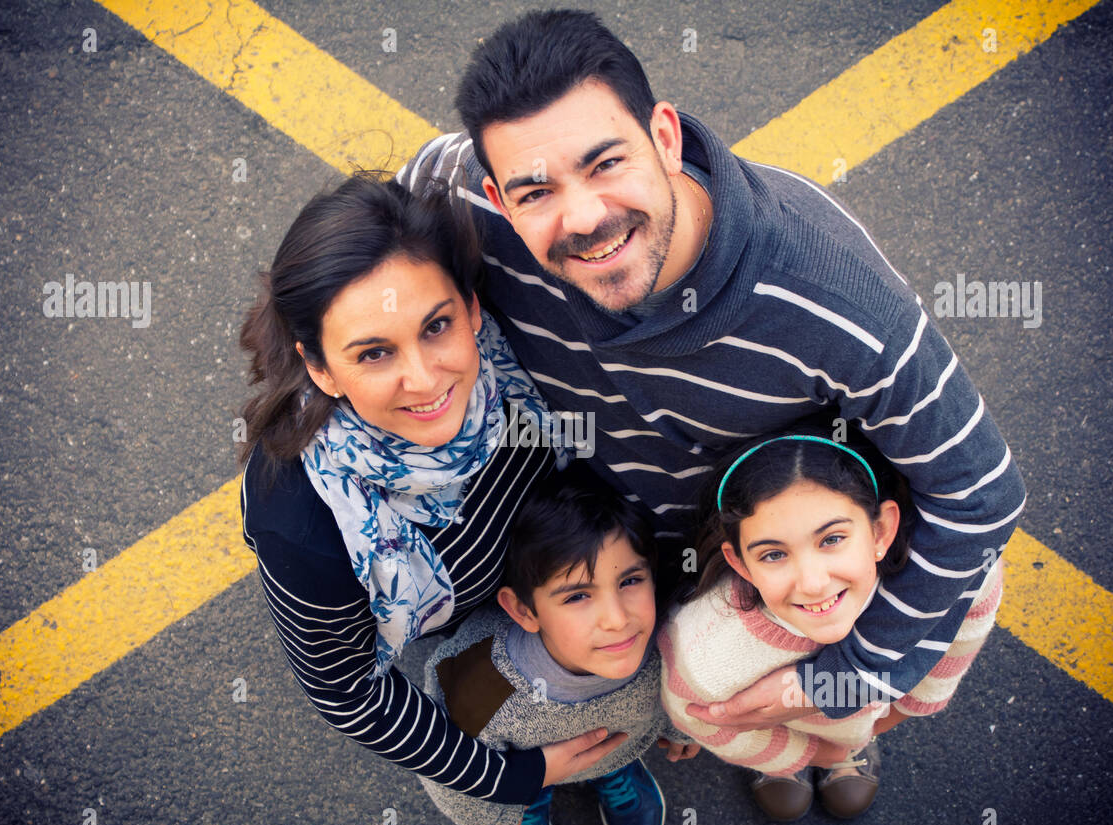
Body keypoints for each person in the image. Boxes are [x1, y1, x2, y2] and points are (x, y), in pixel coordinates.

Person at [395, 10, 1026, 780]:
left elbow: (981, 493)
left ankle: (842, 745)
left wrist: (848, 678)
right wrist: (314, 406)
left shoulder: (835, 301)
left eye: (605, 163)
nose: (585, 217)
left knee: (760, 691)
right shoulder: (463, 198)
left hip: (770, 557)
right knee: (691, 698)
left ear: (665, 136)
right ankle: (775, 743)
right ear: (498, 193)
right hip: (637, 555)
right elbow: (358, 256)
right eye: (536, 191)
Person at [238, 173, 629, 816]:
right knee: (490, 710)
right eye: (372, 354)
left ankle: (610, 744)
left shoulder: (518, 345)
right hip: (455, 623)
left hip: (546, 573)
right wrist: (513, 777)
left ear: (473, 308)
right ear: (319, 368)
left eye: (437, 326)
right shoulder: (301, 518)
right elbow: (349, 691)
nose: (424, 380)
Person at [660, 423, 1003, 821]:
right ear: (740, 564)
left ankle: (852, 747)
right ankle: (800, 762)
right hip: (795, 732)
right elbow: (697, 717)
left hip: (867, 719)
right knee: (791, 763)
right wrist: (807, 754)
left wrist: (903, 711)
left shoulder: (948, 577)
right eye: (773, 554)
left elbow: (973, 613)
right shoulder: (704, 651)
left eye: (831, 539)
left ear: (880, 530)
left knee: (848, 737)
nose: (812, 583)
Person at [418, 470, 699, 825]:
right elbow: (448, 771)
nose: (618, 620)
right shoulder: (479, 688)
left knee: (612, 752)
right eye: (578, 596)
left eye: (630, 580)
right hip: (521, 776)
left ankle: (613, 771)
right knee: (522, 787)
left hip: (623, 742)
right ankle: (527, 805)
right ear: (523, 610)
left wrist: (682, 725)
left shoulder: (667, 639)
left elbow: (686, 684)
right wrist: (500, 808)